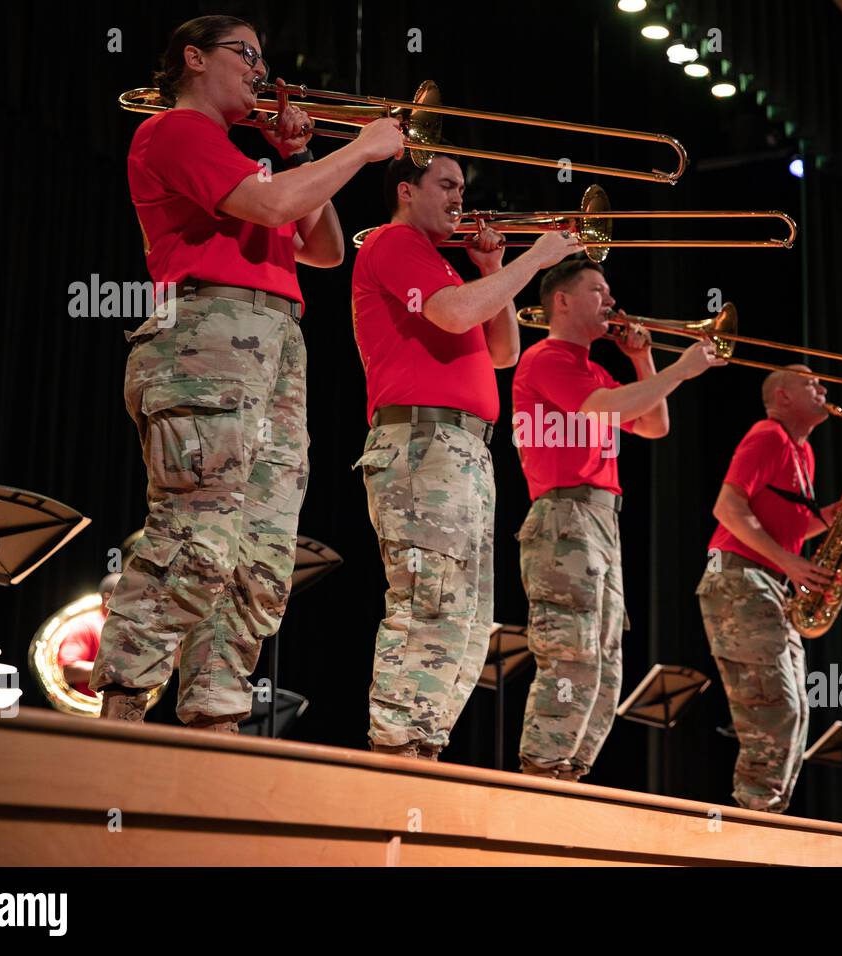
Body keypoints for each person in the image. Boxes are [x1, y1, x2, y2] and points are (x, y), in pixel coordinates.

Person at [93, 15, 404, 732]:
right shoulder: (177, 132)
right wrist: (359, 149)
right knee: (195, 535)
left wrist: (302, 159)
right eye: (247, 55)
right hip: (208, 336)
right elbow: (270, 207)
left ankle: (217, 715)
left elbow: (322, 249)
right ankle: (118, 711)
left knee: (260, 555)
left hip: (275, 342)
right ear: (194, 59)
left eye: (263, 58)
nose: (261, 72)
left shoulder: (247, 161)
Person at [352, 154, 581, 759]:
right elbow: (453, 316)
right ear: (406, 190)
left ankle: (420, 749)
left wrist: (497, 266)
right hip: (423, 445)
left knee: (467, 615)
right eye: (446, 185)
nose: (460, 197)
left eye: (463, 187)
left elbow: (503, 350)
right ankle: (395, 750)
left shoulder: (442, 265)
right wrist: (537, 260)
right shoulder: (394, 241)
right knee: (428, 601)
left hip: (463, 450)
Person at [513, 259, 723, 780]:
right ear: (561, 301)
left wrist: (647, 359)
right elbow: (604, 410)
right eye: (597, 290)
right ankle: (539, 774)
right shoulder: (545, 357)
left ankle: (570, 773)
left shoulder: (597, 369)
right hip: (565, 516)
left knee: (606, 662)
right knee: (571, 654)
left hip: (601, 520)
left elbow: (654, 425)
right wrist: (683, 370)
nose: (610, 300)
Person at [696, 367, 842, 812]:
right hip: (740, 577)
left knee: (794, 711)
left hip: (770, 582)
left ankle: (767, 814)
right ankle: (752, 816)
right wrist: (789, 561)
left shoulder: (805, 452)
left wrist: (838, 514)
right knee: (775, 707)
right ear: (783, 395)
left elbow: (792, 523)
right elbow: (727, 506)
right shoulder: (768, 435)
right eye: (811, 383)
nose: (824, 389)